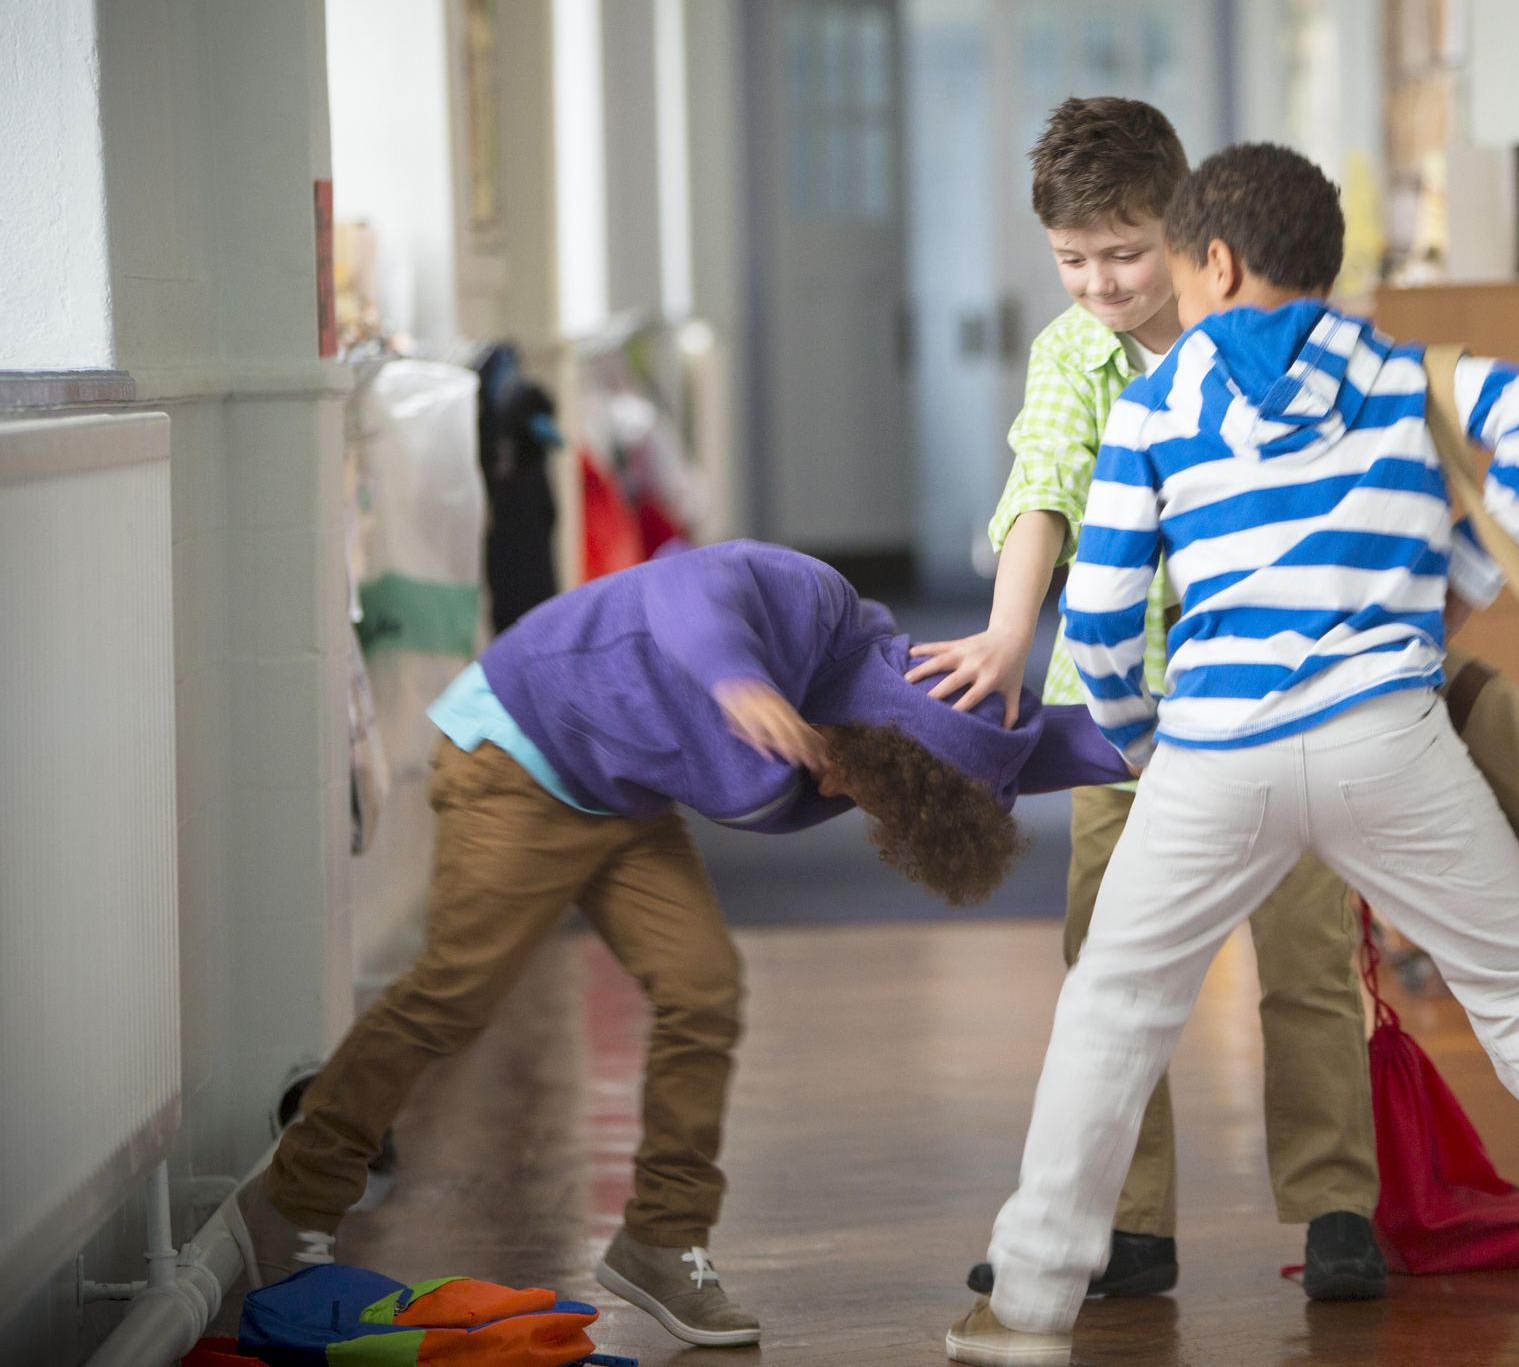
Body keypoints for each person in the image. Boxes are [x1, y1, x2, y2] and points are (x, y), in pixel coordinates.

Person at [945, 145, 1519, 1367]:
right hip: (1391, 742)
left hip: (1212, 748)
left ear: (1215, 261)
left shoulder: (1160, 402)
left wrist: (1149, 742)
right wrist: (1453, 591)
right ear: (1326, 260)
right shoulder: (1398, 371)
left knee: (1115, 1008)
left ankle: (1031, 1306)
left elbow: (1100, 619)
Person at [227, 540, 1131, 1350]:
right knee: (455, 992)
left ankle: (661, 1239)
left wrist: (1189, 734)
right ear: (890, 734)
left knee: (703, 990)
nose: (847, 795)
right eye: (868, 781)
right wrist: (736, 678)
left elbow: (1054, 744)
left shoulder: (927, 753)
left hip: (620, 799)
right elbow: (685, 588)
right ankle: (291, 1200)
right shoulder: (810, 603)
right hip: (519, 750)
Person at [911, 96, 1385, 1303]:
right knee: (1109, 967)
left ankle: (1337, 1207)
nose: (1102, 284)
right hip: (1116, 715)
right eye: (1072, 261)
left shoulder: (1269, 329)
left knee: (1306, 956)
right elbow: (1043, 487)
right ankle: (1127, 1225)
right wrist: (1016, 628)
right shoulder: (1070, 354)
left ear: (1185, 234)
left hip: (1284, 700)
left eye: (1124, 254)